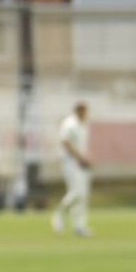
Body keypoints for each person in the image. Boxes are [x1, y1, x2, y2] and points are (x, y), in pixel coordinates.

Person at [53, 101, 94, 237]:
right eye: (84, 112)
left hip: (81, 163)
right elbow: (65, 141)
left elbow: (82, 145)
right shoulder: (69, 123)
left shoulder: (83, 125)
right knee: (76, 192)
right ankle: (59, 213)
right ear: (78, 111)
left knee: (83, 195)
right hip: (70, 162)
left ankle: (80, 226)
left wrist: (85, 158)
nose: (86, 115)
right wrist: (79, 157)